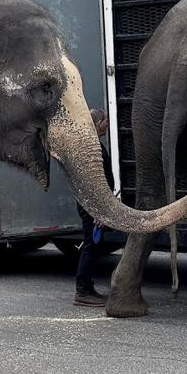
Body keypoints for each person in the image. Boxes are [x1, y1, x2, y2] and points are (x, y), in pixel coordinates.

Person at [73, 107, 115, 307]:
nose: (107, 123)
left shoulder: (91, 145)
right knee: (90, 246)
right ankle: (83, 291)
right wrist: (98, 211)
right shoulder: (91, 147)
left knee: (92, 245)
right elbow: (91, 183)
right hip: (91, 206)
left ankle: (87, 287)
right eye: (105, 120)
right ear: (98, 124)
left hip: (92, 205)